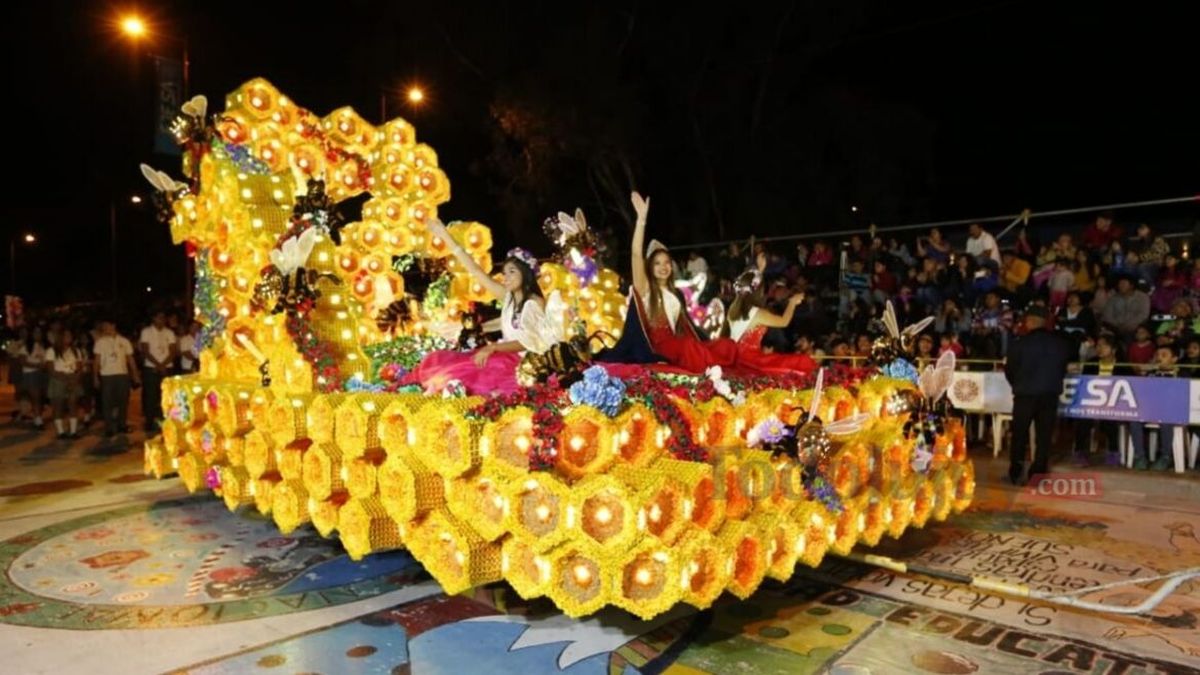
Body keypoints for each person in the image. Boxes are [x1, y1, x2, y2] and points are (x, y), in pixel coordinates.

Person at [404, 217, 556, 396]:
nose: (505, 277)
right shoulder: (507, 297)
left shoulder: (535, 302)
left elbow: (527, 343)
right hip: (503, 355)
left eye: (512, 272)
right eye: (504, 272)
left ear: (526, 274)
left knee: (469, 374)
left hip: (525, 364)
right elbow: (476, 271)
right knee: (441, 361)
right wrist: (445, 236)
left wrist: (492, 348)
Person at [598, 192, 737, 374]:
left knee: (726, 346)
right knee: (688, 347)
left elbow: (687, 329)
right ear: (650, 267)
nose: (663, 267)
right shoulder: (646, 288)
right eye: (657, 263)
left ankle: (713, 367)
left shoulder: (675, 293)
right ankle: (711, 375)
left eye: (666, 262)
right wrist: (641, 221)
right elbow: (635, 255)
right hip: (657, 347)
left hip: (678, 343)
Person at [1004, 305, 1072, 485]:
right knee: (1044, 435)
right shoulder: (1060, 344)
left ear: (1031, 321)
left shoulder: (1019, 344)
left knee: (1019, 434)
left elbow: (1010, 370)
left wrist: (1018, 385)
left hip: (1025, 394)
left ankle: (1016, 469)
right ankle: (1039, 471)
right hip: (1049, 394)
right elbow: (1062, 369)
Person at [724, 263, 816, 376]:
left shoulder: (732, 310)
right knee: (801, 361)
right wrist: (792, 303)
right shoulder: (757, 313)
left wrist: (760, 269)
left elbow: (750, 283)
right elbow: (784, 321)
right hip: (751, 361)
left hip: (738, 358)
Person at [1072, 335, 1127, 467]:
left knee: (1110, 420)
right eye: (1098, 345)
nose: (1100, 348)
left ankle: (1113, 452)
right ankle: (1080, 452)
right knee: (1083, 419)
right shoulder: (1091, 363)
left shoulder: (1124, 365)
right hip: (1092, 404)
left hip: (1115, 406)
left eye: (1104, 345)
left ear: (1113, 349)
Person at [94, 320, 140, 438]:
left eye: (107, 326)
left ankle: (122, 424)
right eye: (103, 327)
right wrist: (95, 376)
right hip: (107, 375)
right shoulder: (100, 342)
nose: (105, 328)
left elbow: (130, 359)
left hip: (122, 374)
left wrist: (135, 375)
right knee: (107, 402)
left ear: (113, 325)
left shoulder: (124, 341)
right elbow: (97, 361)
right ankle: (109, 427)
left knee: (123, 401)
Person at [139, 312, 178, 432]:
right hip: (151, 367)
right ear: (154, 318)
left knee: (166, 396)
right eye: (159, 317)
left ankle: (166, 421)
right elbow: (145, 351)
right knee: (151, 396)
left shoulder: (169, 333)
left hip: (167, 367)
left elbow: (173, 351)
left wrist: (163, 365)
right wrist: (158, 364)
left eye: (163, 318)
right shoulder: (146, 332)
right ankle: (149, 422)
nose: (162, 320)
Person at [45, 329, 86, 440]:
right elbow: (50, 370)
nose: (69, 337)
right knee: (58, 406)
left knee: (73, 405)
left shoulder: (76, 351)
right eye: (66, 335)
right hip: (58, 381)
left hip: (73, 380)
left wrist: (75, 378)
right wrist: (65, 378)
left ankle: (73, 432)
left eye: (70, 335)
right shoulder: (51, 351)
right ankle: (61, 432)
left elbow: (80, 367)